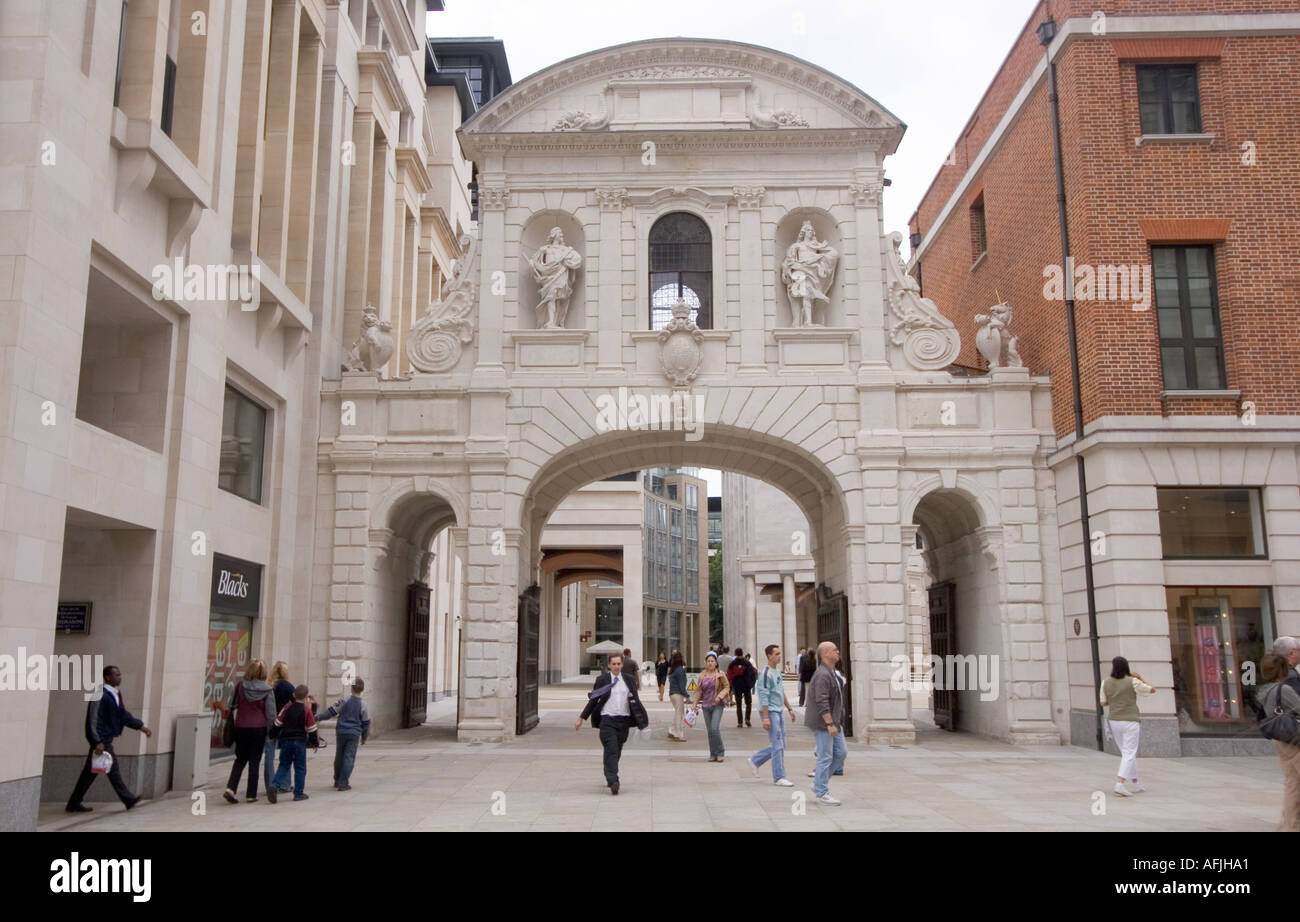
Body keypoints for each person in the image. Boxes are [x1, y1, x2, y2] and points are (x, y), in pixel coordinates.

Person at [66, 665, 153, 813]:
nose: (120, 677)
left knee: (89, 773)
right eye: (116, 675)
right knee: (113, 770)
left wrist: (141, 727)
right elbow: (92, 720)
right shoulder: (100, 695)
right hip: (102, 741)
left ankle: (74, 803)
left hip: (105, 739)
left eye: (120, 674)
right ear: (107, 677)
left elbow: (123, 715)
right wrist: (96, 742)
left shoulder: (116, 694)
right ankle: (128, 799)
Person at [574, 653, 648, 794]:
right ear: (609, 665)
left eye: (618, 664)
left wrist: (642, 722)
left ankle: (609, 771)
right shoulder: (602, 680)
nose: (616, 666)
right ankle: (613, 780)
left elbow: (636, 701)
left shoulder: (629, 680)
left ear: (622, 665)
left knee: (616, 750)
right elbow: (593, 700)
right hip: (607, 720)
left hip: (623, 721)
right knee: (611, 748)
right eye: (613, 664)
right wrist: (581, 718)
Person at [223, 659, 277, 804]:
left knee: (240, 759)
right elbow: (271, 714)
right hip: (259, 729)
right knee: (255, 761)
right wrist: (271, 732)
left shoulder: (240, 686)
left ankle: (231, 788)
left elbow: (232, 705)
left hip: (241, 727)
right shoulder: (267, 690)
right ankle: (251, 794)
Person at [1099, 655, 1155, 796]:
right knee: (1129, 753)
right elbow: (1151, 689)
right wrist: (1141, 679)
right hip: (1130, 719)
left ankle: (1135, 783)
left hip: (1114, 720)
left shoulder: (1105, 682)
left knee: (1126, 753)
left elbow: (1103, 702)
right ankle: (1120, 783)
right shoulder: (1132, 681)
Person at [1258, 653, 1300, 830]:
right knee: (1293, 783)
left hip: (1280, 740)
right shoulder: (1284, 690)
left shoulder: (1264, 691)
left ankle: (1289, 825)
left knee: (1292, 784)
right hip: (1294, 740)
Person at [749, 644, 797, 786]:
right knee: (777, 744)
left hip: (778, 709)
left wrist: (789, 708)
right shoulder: (765, 674)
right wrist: (765, 717)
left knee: (782, 743)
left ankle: (755, 760)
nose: (779, 656)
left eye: (779, 653)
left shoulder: (777, 672)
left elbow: (780, 691)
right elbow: (763, 696)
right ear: (769, 656)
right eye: (776, 654)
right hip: (770, 710)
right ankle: (779, 776)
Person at [806, 641, 847, 805]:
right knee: (825, 757)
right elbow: (822, 700)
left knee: (841, 753)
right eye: (834, 650)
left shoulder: (830, 672)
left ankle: (818, 784)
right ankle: (822, 791)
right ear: (825, 654)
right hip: (824, 723)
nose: (837, 652)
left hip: (834, 722)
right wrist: (829, 723)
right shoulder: (822, 674)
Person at [315, 678, 372, 791]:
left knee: (339, 756)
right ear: (362, 690)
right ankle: (343, 782)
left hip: (341, 731)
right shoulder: (363, 705)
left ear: (351, 688)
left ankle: (337, 779)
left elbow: (331, 712)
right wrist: (364, 737)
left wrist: (316, 717)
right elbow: (366, 723)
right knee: (349, 757)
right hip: (354, 733)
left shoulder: (344, 701)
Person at [270, 684, 318, 802]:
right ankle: (298, 793)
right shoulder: (306, 710)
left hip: (286, 740)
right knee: (300, 768)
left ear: (293, 695)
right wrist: (314, 743)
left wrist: (272, 735)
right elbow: (312, 728)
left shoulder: (287, 707)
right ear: (306, 697)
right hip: (300, 742)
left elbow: (277, 723)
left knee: (284, 765)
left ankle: (274, 785)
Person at [692, 651, 731, 762]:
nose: (710, 663)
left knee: (714, 728)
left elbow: (727, 687)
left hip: (717, 705)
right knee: (710, 731)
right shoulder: (702, 675)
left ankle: (720, 751)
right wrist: (694, 704)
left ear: (716, 663)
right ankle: (713, 753)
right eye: (708, 661)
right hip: (705, 706)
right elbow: (698, 691)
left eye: (712, 661)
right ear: (706, 663)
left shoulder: (720, 674)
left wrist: (719, 696)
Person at [264, 661, 295, 800]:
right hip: (284, 723)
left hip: (269, 723)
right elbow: (296, 703)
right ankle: (285, 784)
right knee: (286, 755)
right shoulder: (288, 686)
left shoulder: (269, 685)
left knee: (269, 756)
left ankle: (270, 784)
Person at [728, 648, 756, 728]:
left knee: (739, 704)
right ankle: (747, 719)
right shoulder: (747, 663)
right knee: (748, 703)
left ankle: (740, 722)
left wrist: (732, 684)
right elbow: (752, 674)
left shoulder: (732, 663)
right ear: (742, 653)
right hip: (746, 685)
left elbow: (729, 674)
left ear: (735, 654)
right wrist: (751, 685)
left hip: (737, 686)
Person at [667, 651, 689, 741]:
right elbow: (681, 685)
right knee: (679, 715)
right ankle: (678, 735)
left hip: (672, 693)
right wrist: (687, 695)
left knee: (677, 713)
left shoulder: (673, 670)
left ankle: (672, 730)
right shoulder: (680, 670)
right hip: (678, 694)